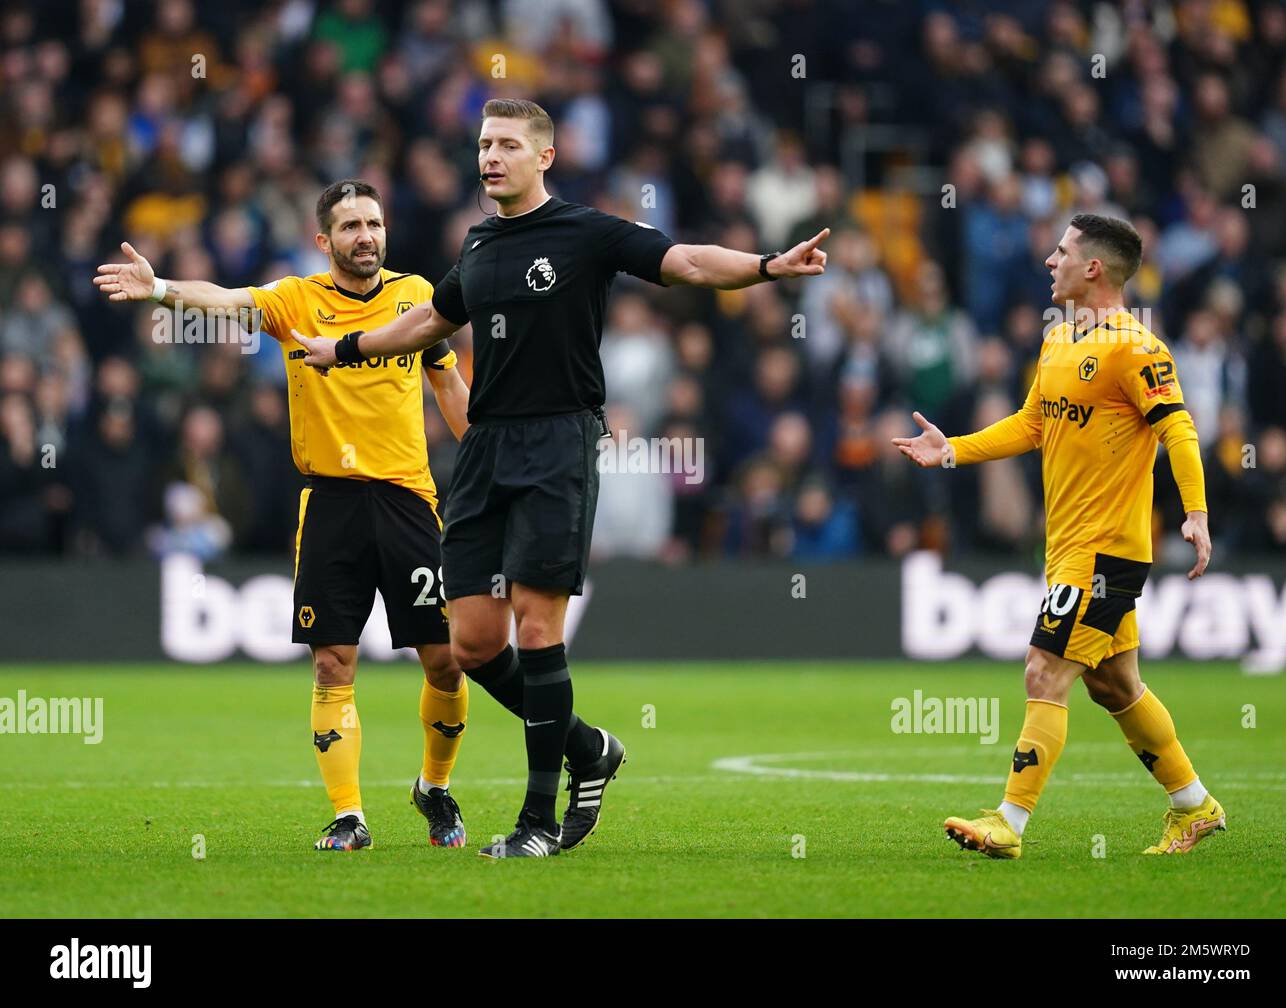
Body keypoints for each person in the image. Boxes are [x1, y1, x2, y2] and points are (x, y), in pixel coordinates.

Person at [295, 98, 830, 857]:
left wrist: (770, 266)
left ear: (543, 157)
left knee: (539, 629)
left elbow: (685, 262)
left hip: (559, 443)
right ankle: (590, 748)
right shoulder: (477, 245)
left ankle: (537, 824)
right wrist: (346, 350)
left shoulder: (588, 232)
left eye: (508, 144)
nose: (490, 156)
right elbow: (425, 324)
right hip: (484, 449)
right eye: (484, 144)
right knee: (473, 645)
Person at [94, 179, 474, 853]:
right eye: (352, 226)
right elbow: (224, 299)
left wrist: (483, 457)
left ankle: (435, 789)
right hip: (329, 502)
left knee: (444, 660)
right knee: (333, 663)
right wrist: (159, 289)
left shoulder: (418, 296)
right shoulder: (294, 299)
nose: (367, 235)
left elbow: (446, 381)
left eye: (375, 223)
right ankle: (349, 815)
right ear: (324, 240)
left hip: (408, 498)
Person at [892, 213, 1223, 858]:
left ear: (1093, 267)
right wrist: (952, 450)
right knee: (1115, 685)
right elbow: (1031, 424)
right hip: (1069, 544)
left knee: (1043, 670)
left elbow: (1178, 429)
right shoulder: (1059, 339)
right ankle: (1194, 805)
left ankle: (1008, 824)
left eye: (1062, 250)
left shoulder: (1137, 346)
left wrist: (1196, 512)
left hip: (1106, 549)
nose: (1049, 260)